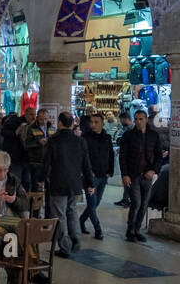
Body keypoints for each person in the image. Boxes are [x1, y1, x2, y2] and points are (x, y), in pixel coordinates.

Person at [40, 112, 94, 257]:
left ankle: (65, 247)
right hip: (75, 183)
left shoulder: (53, 140)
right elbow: (86, 164)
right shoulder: (80, 141)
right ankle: (76, 240)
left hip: (58, 182)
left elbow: (46, 162)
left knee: (59, 214)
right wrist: (90, 183)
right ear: (72, 124)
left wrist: (41, 178)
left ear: (59, 123)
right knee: (72, 211)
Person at [120, 109, 163, 242]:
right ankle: (130, 230)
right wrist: (125, 174)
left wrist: (153, 170)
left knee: (144, 203)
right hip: (133, 174)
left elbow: (158, 156)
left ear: (146, 120)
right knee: (136, 202)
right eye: (136, 119)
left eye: (141, 119)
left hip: (147, 175)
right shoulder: (128, 136)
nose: (138, 122)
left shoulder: (153, 135)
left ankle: (137, 229)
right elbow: (123, 157)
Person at [80, 109, 116, 240]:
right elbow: (83, 158)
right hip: (91, 177)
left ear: (102, 123)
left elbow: (110, 155)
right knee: (91, 203)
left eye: (96, 122)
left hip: (103, 175)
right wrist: (88, 173)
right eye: (91, 122)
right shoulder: (85, 138)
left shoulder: (106, 138)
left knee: (96, 203)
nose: (93, 124)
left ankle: (80, 221)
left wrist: (109, 171)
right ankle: (98, 229)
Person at [20, 107, 51, 191]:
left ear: (48, 118)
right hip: (35, 162)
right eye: (41, 119)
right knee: (36, 187)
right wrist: (38, 143)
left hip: (48, 162)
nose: (44, 121)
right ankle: (35, 204)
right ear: (37, 117)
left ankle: (47, 204)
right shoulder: (31, 128)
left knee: (49, 187)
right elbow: (26, 144)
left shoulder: (51, 127)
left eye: (45, 119)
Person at [115, 110, 134, 207]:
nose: (121, 122)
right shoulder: (127, 128)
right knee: (126, 179)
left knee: (129, 180)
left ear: (126, 119)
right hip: (126, 158)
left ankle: (129, 199)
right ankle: (125, 198)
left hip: (131, 159)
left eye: (121, 120)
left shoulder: (132, 129)